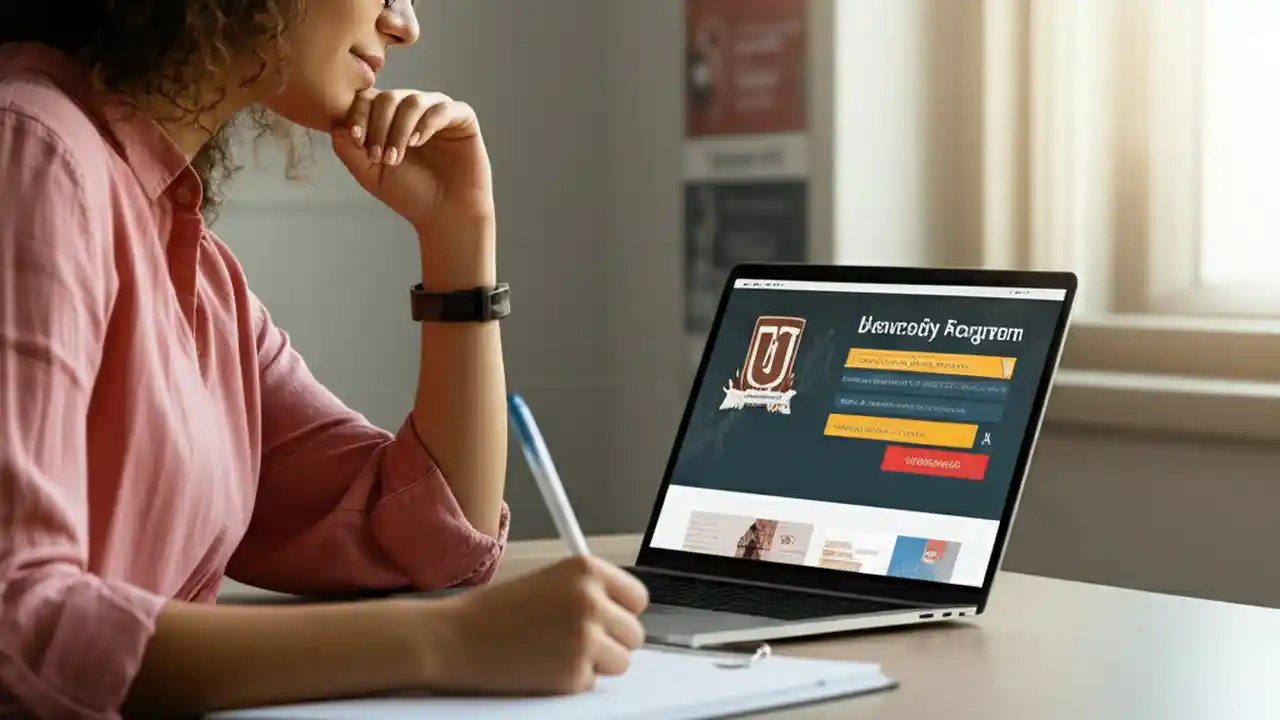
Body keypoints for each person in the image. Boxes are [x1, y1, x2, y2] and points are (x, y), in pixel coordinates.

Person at [0, 1, 648, 717]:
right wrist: (445, 642)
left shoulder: (193, 265)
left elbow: (427, 542)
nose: (405, 23)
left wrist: (459, 234)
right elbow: (15, 622)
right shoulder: (33, 149)